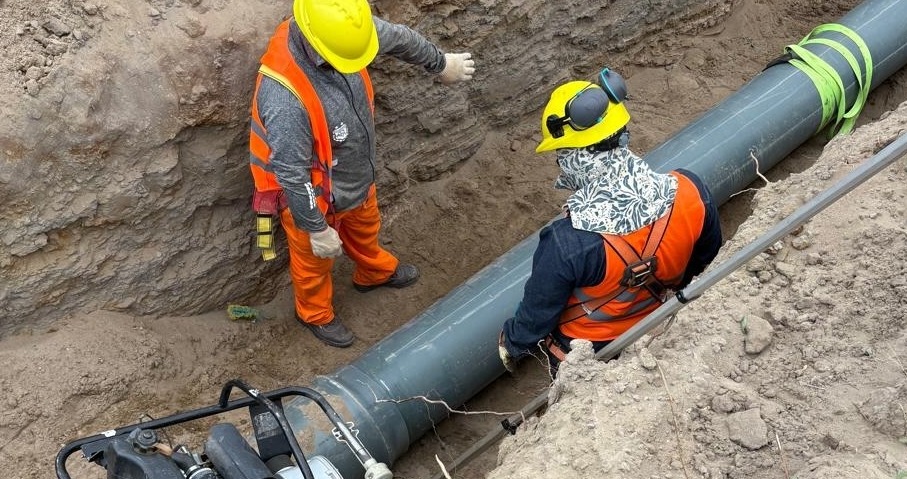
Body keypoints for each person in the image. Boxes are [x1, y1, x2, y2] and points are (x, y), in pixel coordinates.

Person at [249, 0, 475, 348]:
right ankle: (314, 313)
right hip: (310, 196)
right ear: (319, 45)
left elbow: (399, 38)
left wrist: (441, 62)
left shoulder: (344, 30)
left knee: (366, 229)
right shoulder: (284, 98)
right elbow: (291, 174)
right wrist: (316, 228)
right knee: (313, 263)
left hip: (355, 176)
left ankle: (374, 272)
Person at [497, 69, 722, 374]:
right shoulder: (690, 189)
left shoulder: (566, 242)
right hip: (659, 321)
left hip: (589, 355)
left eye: (562, 155)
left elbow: (536, 318)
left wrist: (512, 345)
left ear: (574, 157)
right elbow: (707, 253)